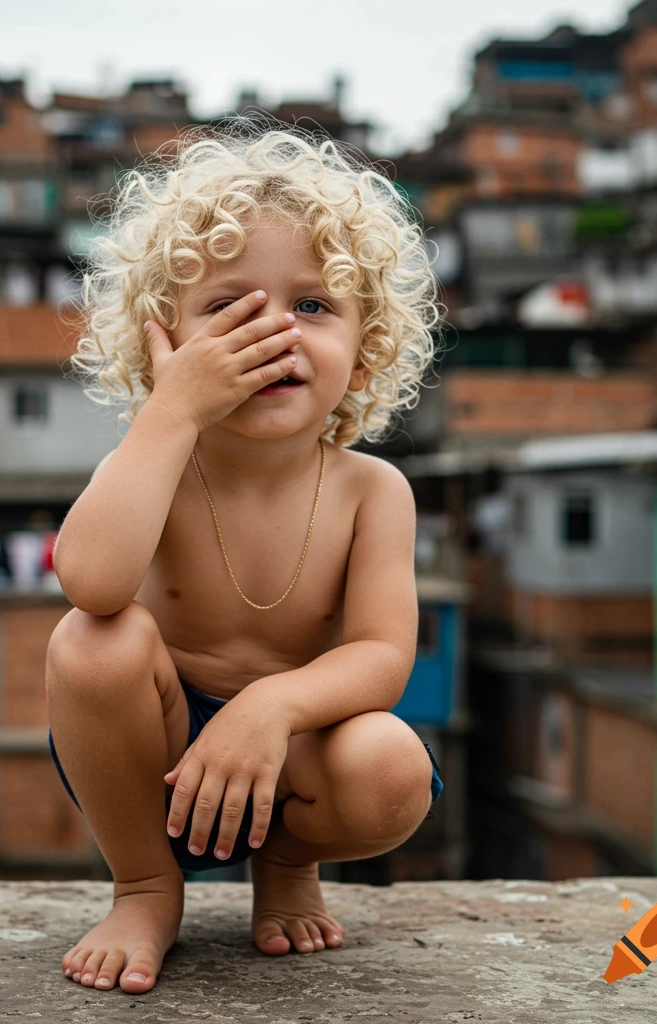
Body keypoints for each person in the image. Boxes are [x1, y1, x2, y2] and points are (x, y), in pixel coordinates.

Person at [46, 119, 445, 996]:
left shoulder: (374, 491)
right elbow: (90, 583)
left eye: (313, 305)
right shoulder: (151, 464)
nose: (273, 331)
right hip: (156, 760)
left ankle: (289, 867)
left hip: (295, 755)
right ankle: (145, 888)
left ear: (366, 347)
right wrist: (171, 413)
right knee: (90, 640)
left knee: (393, 766)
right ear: (163, 342)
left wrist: (273, 705)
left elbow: (383, 657)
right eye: (228, 307)